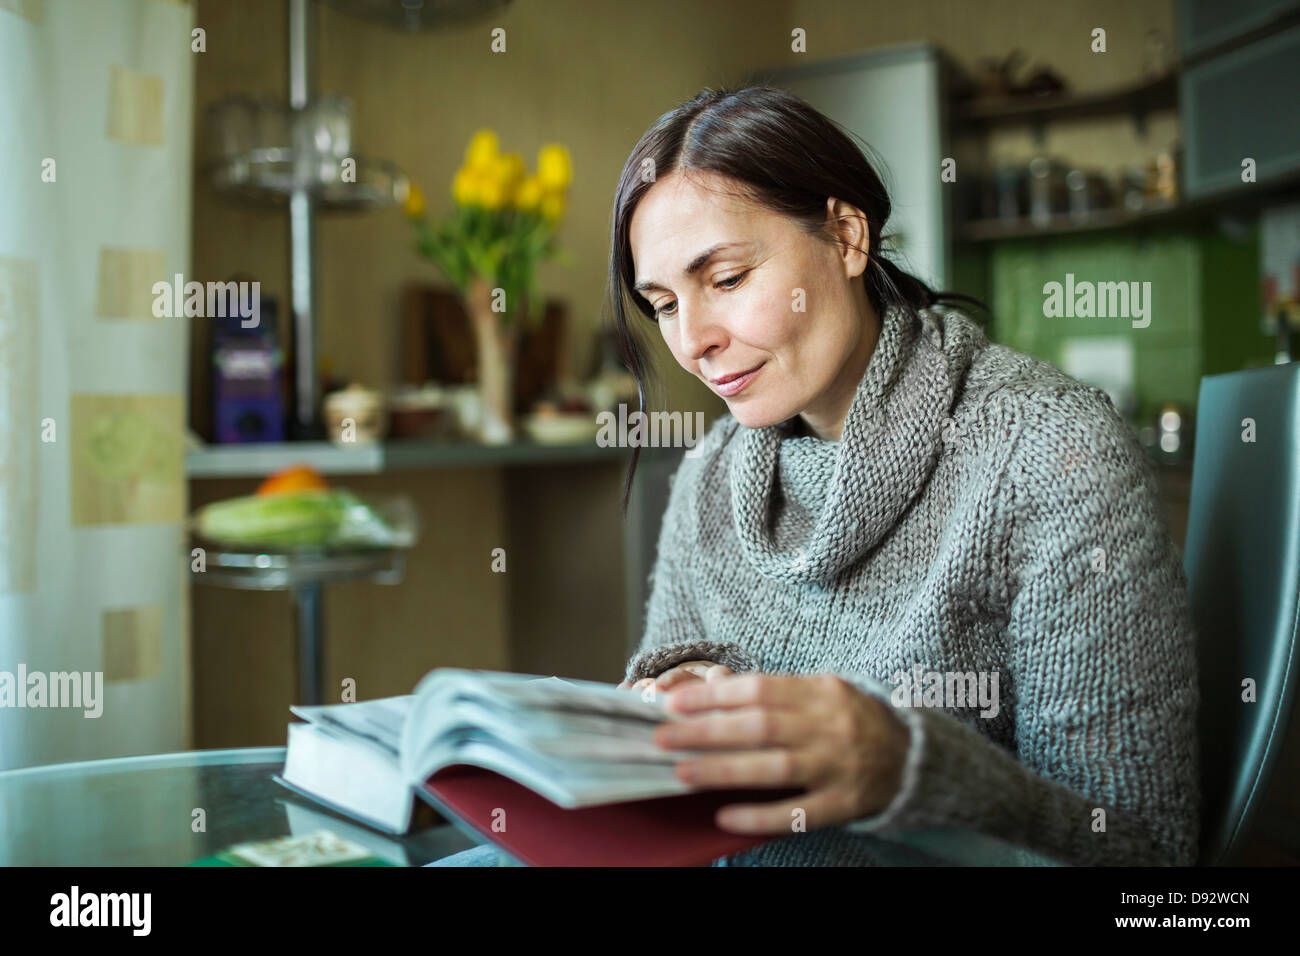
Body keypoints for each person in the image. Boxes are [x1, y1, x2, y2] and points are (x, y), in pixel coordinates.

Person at [430, 85, 1200, 868]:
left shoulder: (1049, 450)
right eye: (662, 304)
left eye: (727, 280)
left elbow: (1145, 860)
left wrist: (911, 767)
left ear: (846, 236)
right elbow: (663, 726)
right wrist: (677, 693)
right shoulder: (711, 473)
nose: (692, 341)